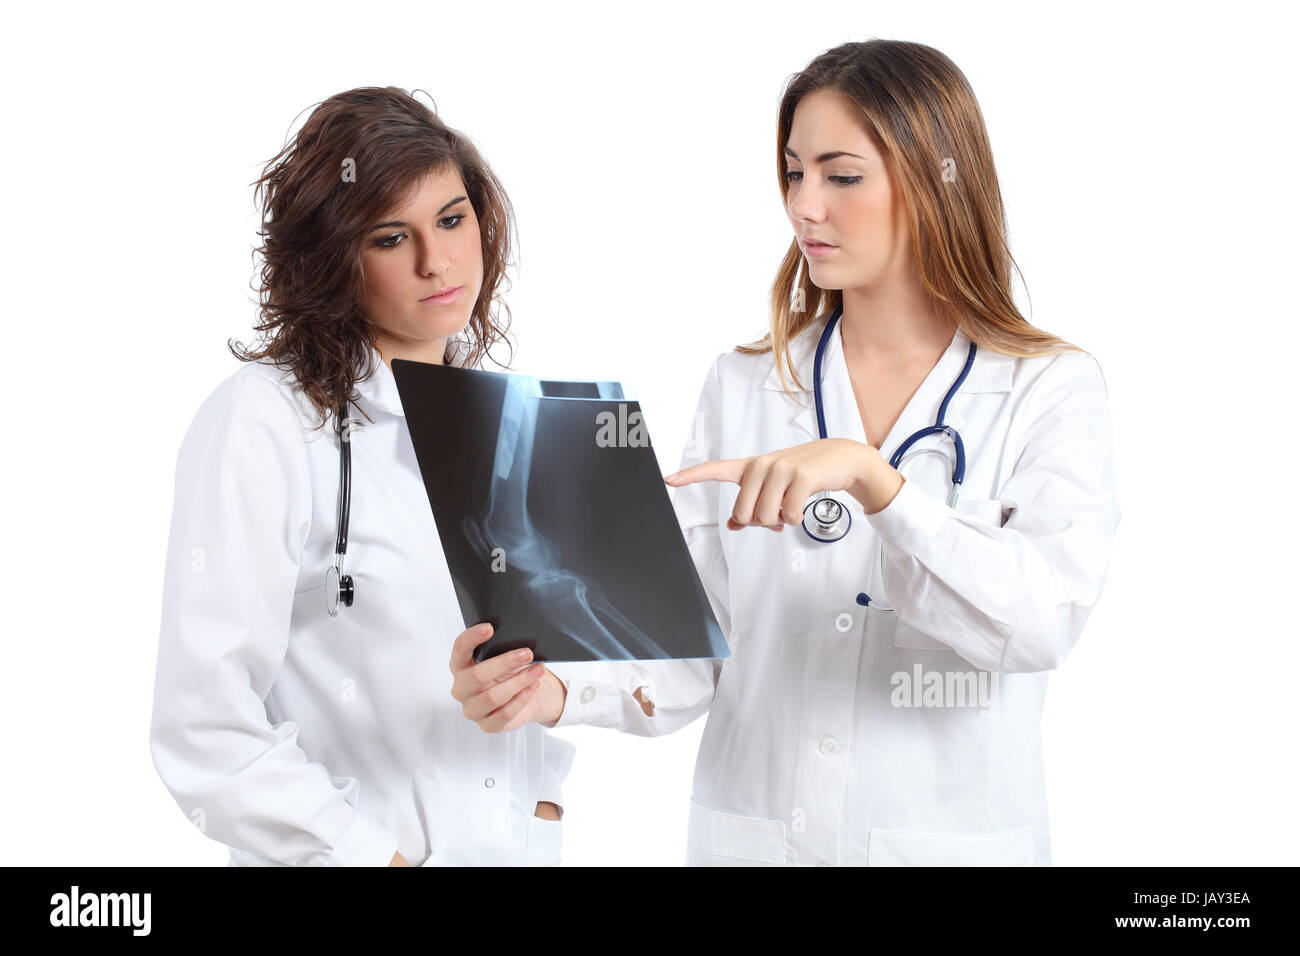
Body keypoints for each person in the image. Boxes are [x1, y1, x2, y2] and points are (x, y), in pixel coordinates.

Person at [533, 40, 1121, 866]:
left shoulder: (1048, 389)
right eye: (793, 171)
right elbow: (693, 648)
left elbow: (1037, 626)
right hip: (755, 841)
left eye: (842, 176)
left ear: (934, 179)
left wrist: (881, 488)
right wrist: (558, 689)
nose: (805, 207)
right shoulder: (745, 384)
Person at [150, 87, 574, 867]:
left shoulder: (506, 424)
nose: (435, 262)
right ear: (332, 258)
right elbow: (203, 725)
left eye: (451, 220)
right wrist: (372, 860)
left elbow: (548, 672)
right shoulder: (264, 421)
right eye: (389, 237)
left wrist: (542, 803)